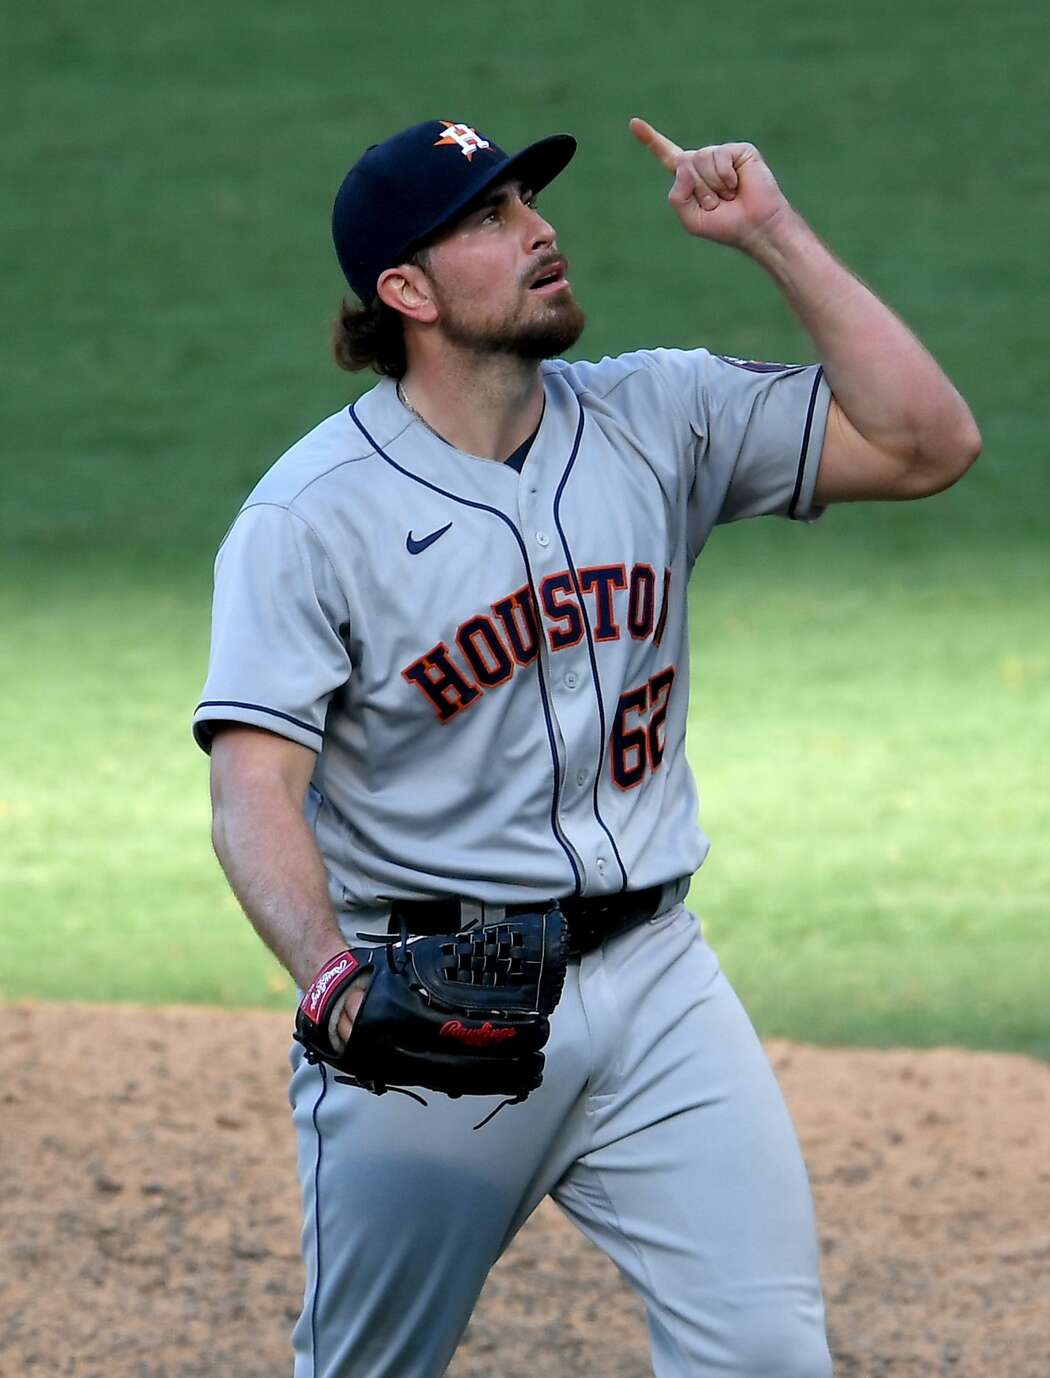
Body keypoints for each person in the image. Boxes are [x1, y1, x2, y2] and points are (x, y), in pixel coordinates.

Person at [195, 114, 980, 1378]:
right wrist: (333, 983)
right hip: (437, 1000)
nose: (539, 230)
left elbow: (927, 443)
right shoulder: (308, 517)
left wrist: (771, 233)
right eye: (489, 218)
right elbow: (251, 789)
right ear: (407, 292)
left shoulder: (659, 415)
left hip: (660, 978)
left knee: (767, 1356)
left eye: (528, 202)